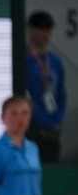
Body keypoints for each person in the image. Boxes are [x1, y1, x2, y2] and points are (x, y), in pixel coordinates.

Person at [25, 10, 66, 163]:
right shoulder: (23, 60)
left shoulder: (55, 62)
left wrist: (57, 119)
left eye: (48, 30)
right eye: (40, 29)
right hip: (30, 131)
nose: (45, 34)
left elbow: (61, 94)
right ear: (30, 30)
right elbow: (25, 97)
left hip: (52, 133)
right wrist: (43, 120)